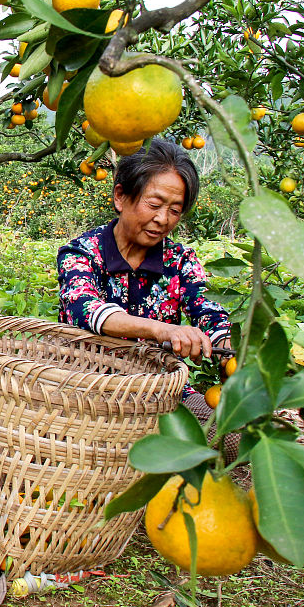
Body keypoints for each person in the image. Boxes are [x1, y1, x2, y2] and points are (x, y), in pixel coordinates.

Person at [57, 139, 230, 431]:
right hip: (87, 394)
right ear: (121, 197)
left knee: (230, 436)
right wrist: (163, 330)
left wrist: (230, 351)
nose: (162, 219)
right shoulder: (82, 253)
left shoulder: (179, 261)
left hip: (163, 397)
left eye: (175, 210)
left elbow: (209, 312)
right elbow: (86, 309)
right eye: (154, 204)